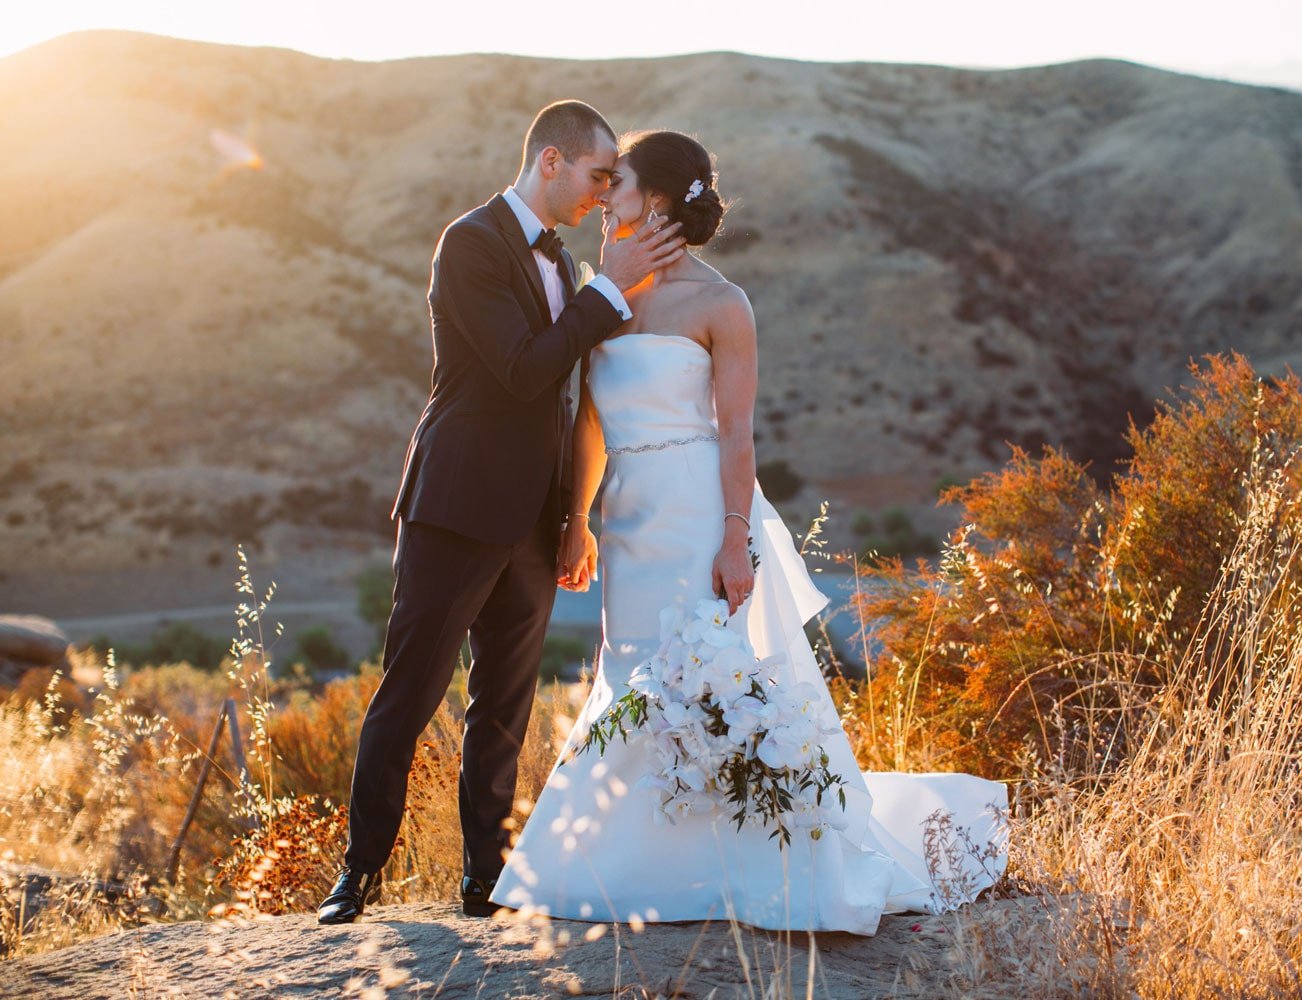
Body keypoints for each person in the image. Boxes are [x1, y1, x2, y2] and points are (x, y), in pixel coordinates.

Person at [491, 130, 1008, 935]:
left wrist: (736, 538)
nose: (601, 198)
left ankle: (741, 861)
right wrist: (578, 522)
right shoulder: (603, 293)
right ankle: (629, 863)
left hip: (699, 510)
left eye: (615, 183)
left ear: (653, 201)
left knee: (709, 672)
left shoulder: (721, 304)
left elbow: (737, 436)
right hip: (629, 518)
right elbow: (589, 423)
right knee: (629, 679)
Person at [317, 101, 687, 925]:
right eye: (597, 175)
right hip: (456, 506)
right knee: (409, 695)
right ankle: (360, 871)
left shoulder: (568, 263)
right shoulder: (471, 242)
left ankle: (486, 878)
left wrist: (574, 516)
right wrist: (612, 290)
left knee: (505, 708)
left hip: (537, 519)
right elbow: (522, 372)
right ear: (549, 161)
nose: (603, 193)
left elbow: (573, 400)